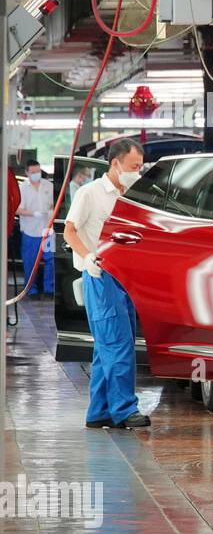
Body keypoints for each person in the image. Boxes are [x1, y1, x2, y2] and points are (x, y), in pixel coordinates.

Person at [64, 138, 150, 429]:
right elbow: (69, 230)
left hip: (126, 279)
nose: (137, 172)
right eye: (133, 166)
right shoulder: (91, 193)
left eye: (140, 167)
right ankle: (125, 409)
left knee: (105, 347)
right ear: (115, 163)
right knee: (118, 343)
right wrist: (87, 256)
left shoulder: (133, 195)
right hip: (102, 277)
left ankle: (99, 411)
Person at [17, 158, 55, 297]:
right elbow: (17, 210)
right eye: (33, 172)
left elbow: (53, 204)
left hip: (48, 230)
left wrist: (51, 211)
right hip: (30, 231)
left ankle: (49, 288)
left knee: (51, 259)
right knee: (30, 262)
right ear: (27, 172)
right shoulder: (22, 188)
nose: (36, 174)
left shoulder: (48, 186)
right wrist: (34, 213)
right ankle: (31, 289)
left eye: (38, 171)